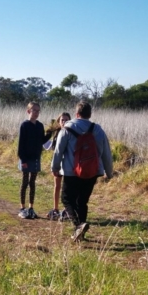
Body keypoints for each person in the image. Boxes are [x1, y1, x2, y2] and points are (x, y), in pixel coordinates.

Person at [51, 100, 113, 242]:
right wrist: (109, 172)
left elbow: (58, 151)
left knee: (67, 199)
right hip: (92, 171)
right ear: (89, 114)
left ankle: (79, 226)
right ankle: (80, 233)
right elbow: (106, 153)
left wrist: (55, 168)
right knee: (82, 201)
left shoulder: (67, 128)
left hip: (71, 172)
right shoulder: (98, 129)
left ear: (76, 114)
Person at [17, 101, 49, 219]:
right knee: (25, 182)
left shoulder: (40, 126)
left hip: (36, 158)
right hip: (26, 158)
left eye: (38, 110)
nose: (36, 113)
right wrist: (23, 160)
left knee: (33, 183)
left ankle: (31, 208)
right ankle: (22, 207)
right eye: (34, 110)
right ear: (28, 111)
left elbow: (42, 141)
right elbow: (20, 145)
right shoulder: (24, 125)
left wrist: (50, 132)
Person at [44, 112, 70, 220]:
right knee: (57, 186)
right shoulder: (57, 133)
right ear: (59, 122)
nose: (64, 122)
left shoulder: (71, 132)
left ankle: (67, 210)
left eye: (66, 120)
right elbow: (51, 147)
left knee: (67, 188)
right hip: (58, 163)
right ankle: (55, 209)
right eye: (62, 120)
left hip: (68, 164)